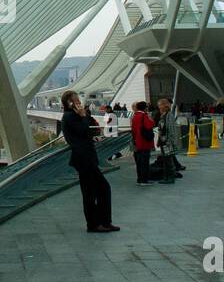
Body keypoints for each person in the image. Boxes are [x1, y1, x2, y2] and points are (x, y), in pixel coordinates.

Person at [61, 90, 117, 233]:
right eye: (76, 100)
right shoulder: (69, 116)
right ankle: (93, 224)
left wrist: (85, 115)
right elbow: (83, 130)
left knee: (102, 189)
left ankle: (105, 221)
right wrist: (83, 116)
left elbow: (92, 128)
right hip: (82, 159)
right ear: (69, 102)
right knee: (90, 192)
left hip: (88, 157)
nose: (79, 102)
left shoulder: (76, 115)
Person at [154, 97, 183, 183]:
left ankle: (170, 177)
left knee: (168, 160)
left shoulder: (168, 115)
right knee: (166, 160)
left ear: (164, 105)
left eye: (160, 105)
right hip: (164, 141)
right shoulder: (164, 115)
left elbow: (170, 129)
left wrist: (169, 141)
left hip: (167, 142)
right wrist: (159, 140)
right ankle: (167, 177)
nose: (159, 107)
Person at [130, 100, 154, 185]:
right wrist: (150, 118)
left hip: (137, 142)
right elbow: (150, 125)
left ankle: (139, 179)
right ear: (145, 108)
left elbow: (133, 130)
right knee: (145, 162)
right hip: (144, 142)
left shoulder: (134, 116)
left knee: (139, 162)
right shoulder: (144, 116)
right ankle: (144, 180)